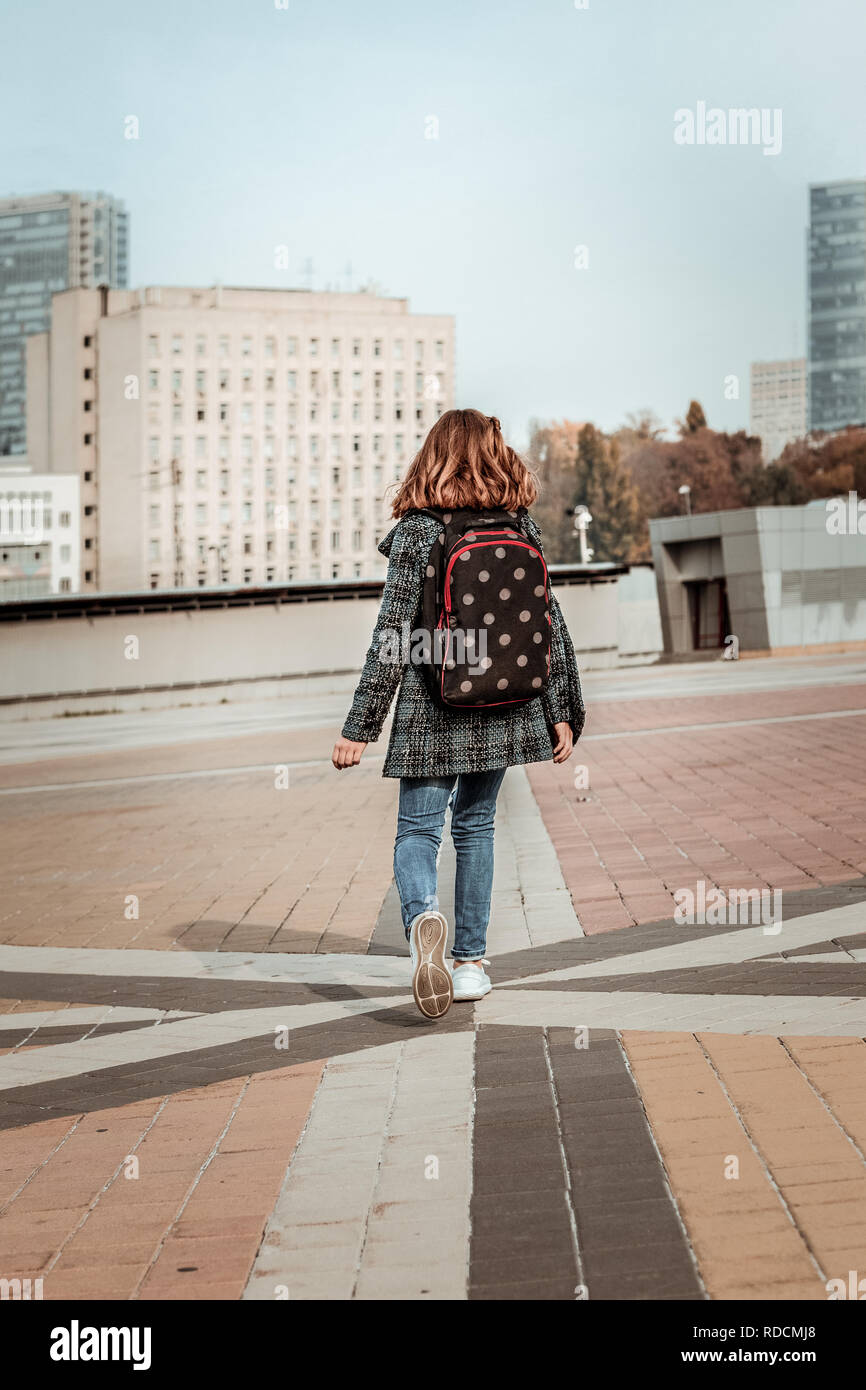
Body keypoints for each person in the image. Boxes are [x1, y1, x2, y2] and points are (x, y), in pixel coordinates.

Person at [332, 408, 585, 1019]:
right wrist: (563, 709)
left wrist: (359, 728)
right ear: (495, 453)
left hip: (432, 703)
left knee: (420, 830)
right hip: (506, 704)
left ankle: (424, 919)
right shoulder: (519, 526)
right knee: (477, 829)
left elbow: (392, 633)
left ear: (435, 454)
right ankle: (469, 964)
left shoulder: (419, 532)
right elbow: (549, 622)